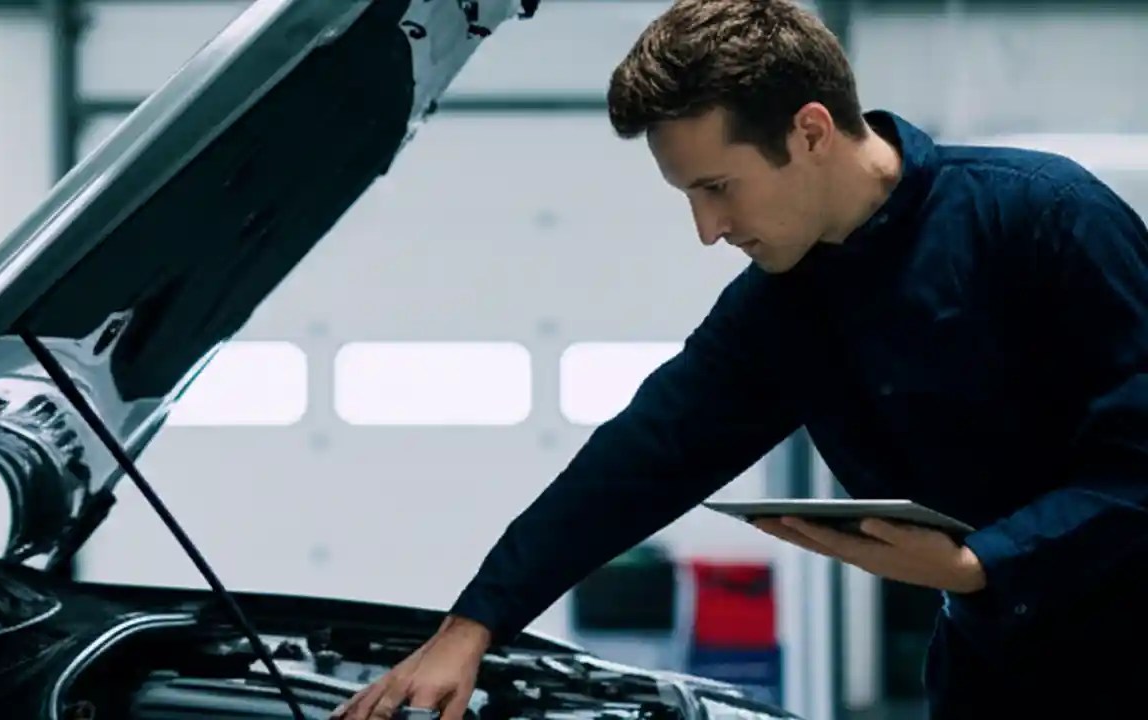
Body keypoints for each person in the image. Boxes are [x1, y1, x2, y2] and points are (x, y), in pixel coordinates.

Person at [332, 0, 1148, 717]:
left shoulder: (1049, 220)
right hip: (988, 678)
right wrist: (472, 626)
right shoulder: (784, 302)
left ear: (811, 131)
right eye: (690, 196)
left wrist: (981, 564)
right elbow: (645, 454)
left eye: (719, 187)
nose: (707, 229)